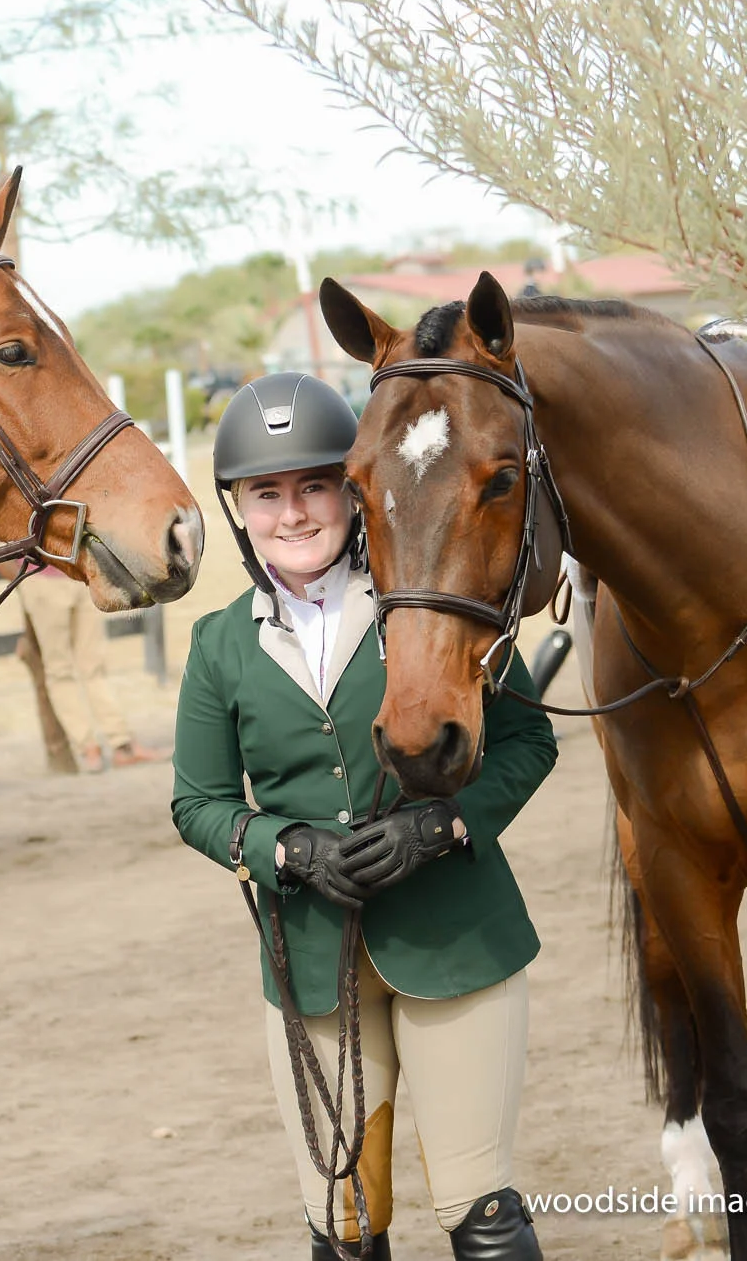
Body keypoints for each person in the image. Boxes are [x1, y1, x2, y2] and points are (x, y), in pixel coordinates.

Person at [171, 373, 560, 1260]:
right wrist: (286, 847)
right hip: (312, 961)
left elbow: (528, 742)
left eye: (312, 485)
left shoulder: (429, 597)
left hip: (455, 939)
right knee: (344, 1228)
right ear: (239, 510)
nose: (294, 514)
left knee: (482, 1215)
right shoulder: (219, 645)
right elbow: (198, 803)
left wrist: (447, 823)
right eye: (266, 495)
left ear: (352, 488)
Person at [16, 563, 168, 773]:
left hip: (79, 573)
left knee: (94, 665)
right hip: (42, 579)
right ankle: (88, 746)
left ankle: (121, 744)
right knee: (59, 669)